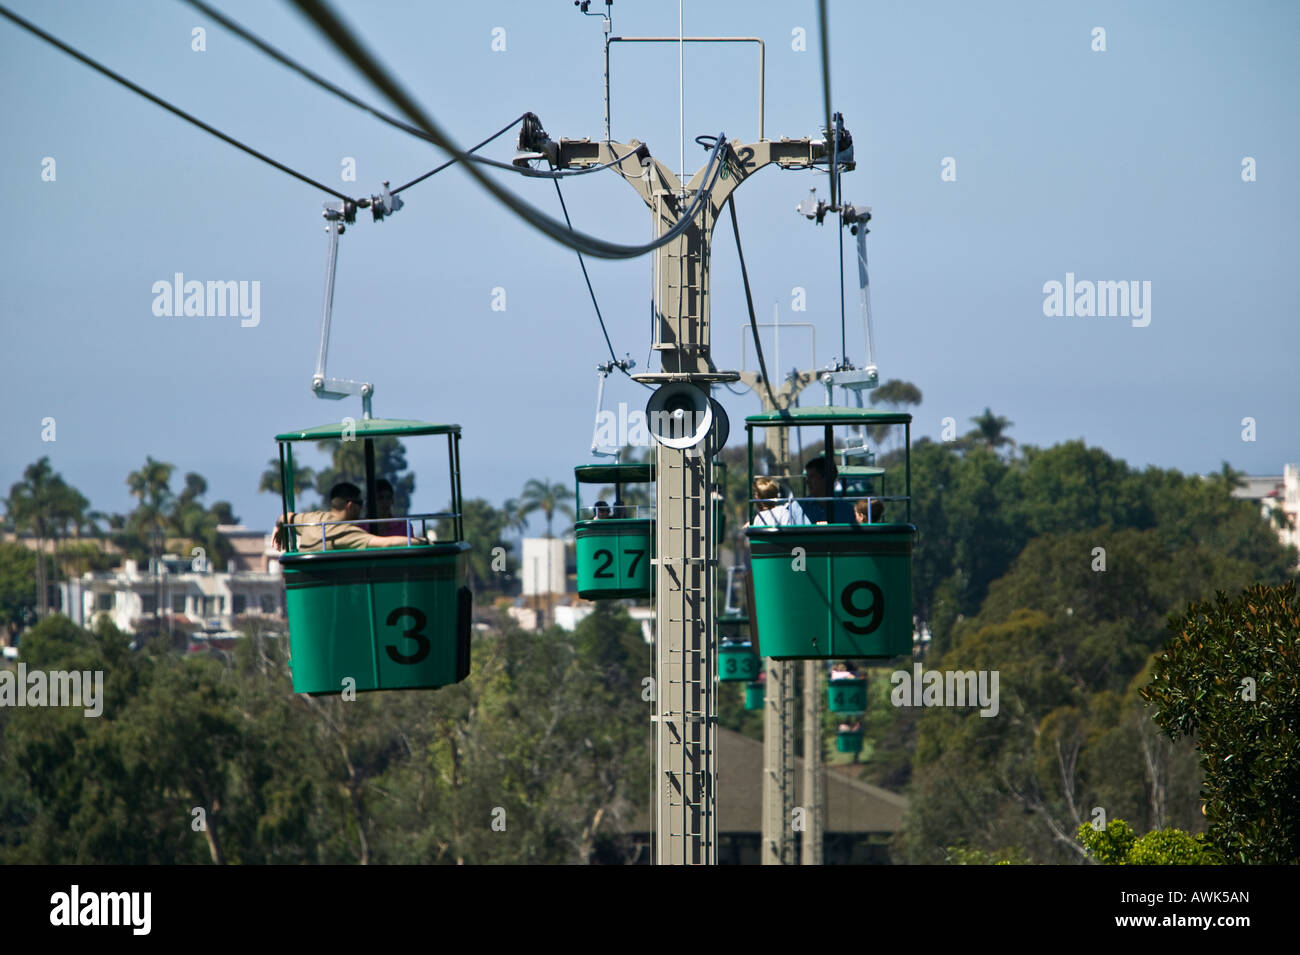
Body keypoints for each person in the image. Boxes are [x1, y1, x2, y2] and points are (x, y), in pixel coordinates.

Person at [274, 482, 427, 551]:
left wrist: (278, 528)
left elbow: (285, 517)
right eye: (361, 503)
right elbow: (385, 543)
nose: (364, 507)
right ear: (351, 506)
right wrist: (421, 542)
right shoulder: (345, 533)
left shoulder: (312, 518)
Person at [801, 456, 851, 524]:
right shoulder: (796, 508)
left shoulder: (846, 510)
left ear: (826, 478)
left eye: (812, 476)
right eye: (807, 476)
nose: (807, 481)